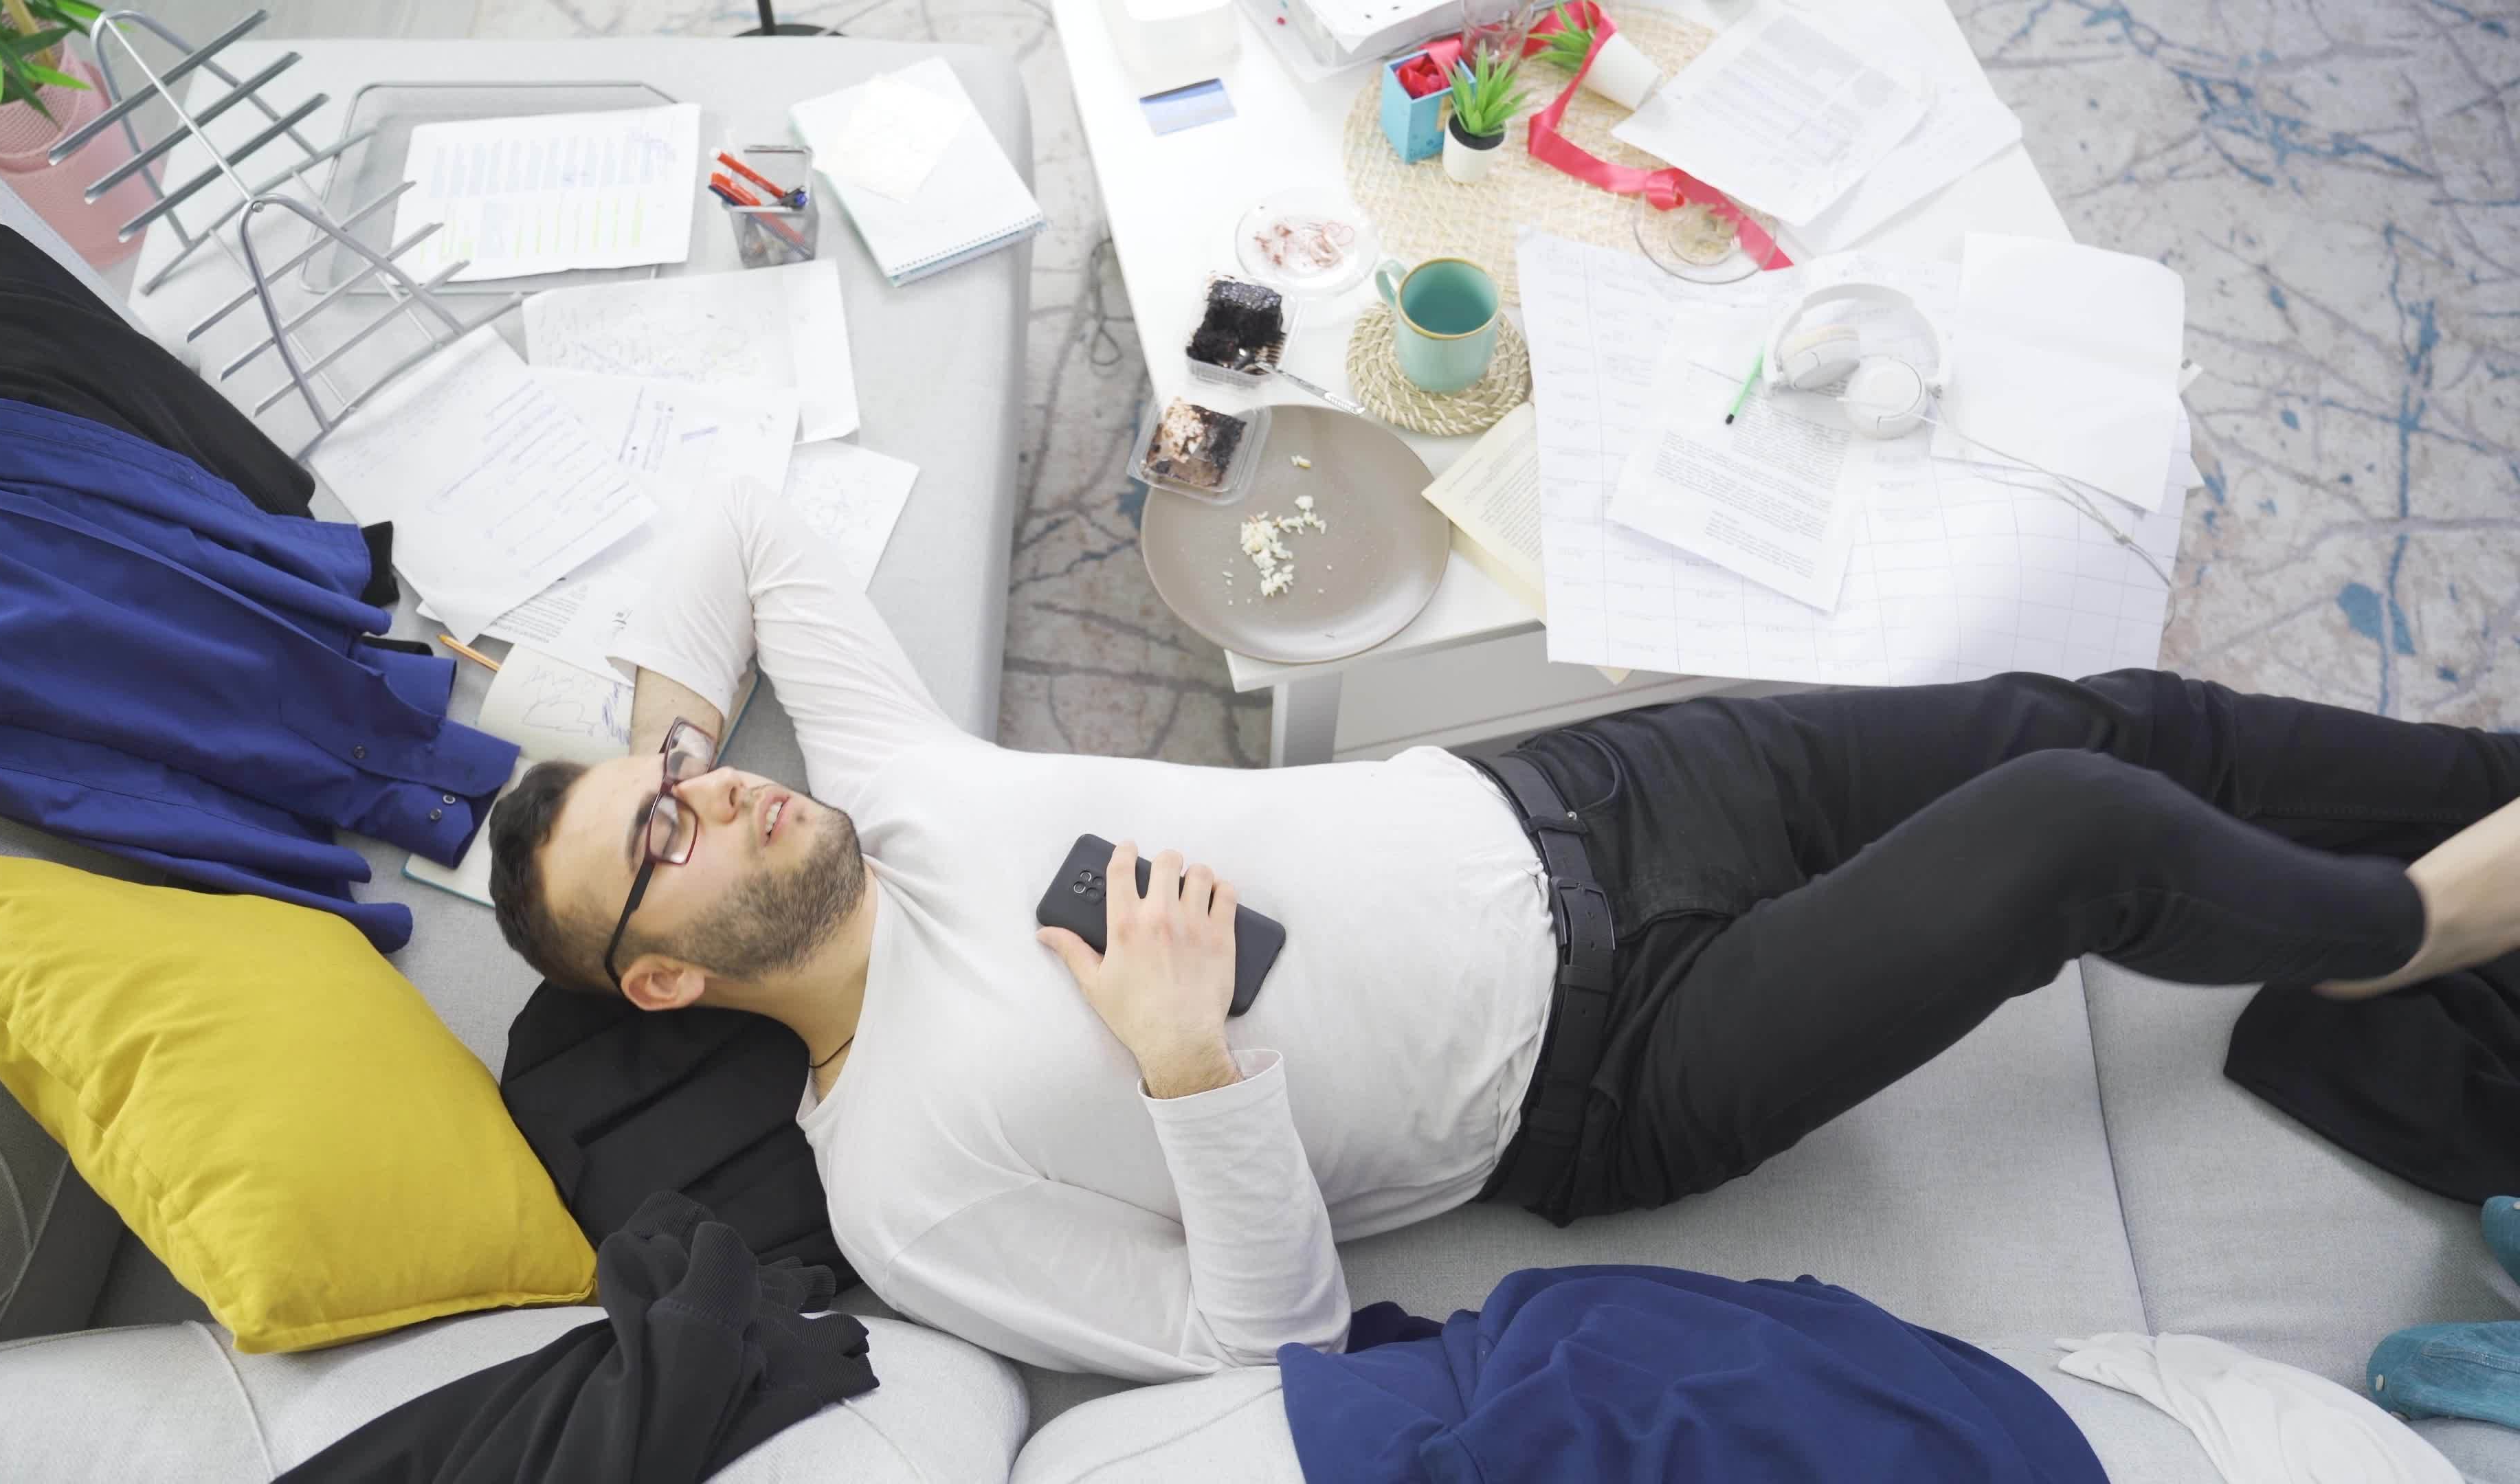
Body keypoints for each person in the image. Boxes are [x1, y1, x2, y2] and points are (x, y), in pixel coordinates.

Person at [486, 471, 2520, 1382]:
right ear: (663, 979)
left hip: (1593, 795)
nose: (716, 797)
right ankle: (2399, 930)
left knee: (2117, 714)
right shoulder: (906, 1180)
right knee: (2080, 823)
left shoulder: (896, 795)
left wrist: (649, 735)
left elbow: (748, 520)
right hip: (1622, 1065)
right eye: (659, 849)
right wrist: (1197, 1069)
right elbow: (1253, 1342)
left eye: (681, 783)